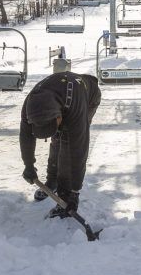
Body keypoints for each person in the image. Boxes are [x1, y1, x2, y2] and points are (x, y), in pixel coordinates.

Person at [20, 71, 101, 218]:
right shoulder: (30, 107)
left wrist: (74, 192)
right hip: (62, 95)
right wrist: (28, 166)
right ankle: (52, 181)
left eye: (54, 125)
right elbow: (26, 137)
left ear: (59, 116)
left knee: (67, 143)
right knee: (57, 138)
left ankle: (64, 194)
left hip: (87, 98)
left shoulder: (74, 106)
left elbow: (78, 150)